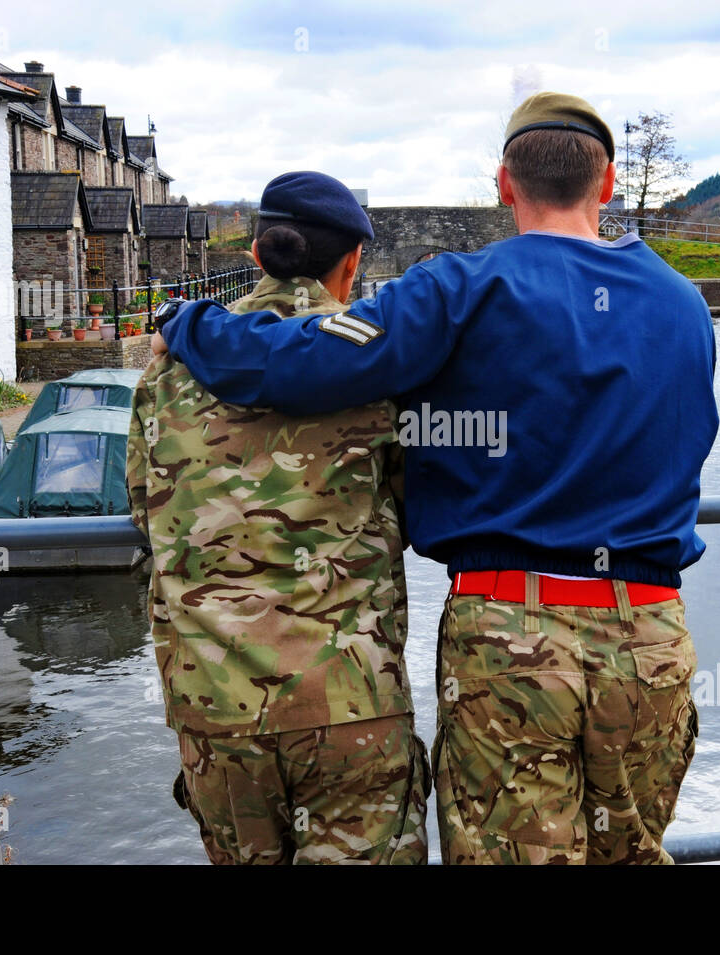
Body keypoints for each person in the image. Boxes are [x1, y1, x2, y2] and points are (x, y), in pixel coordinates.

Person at [156, 92, 719, 865]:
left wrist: (191, 323)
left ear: (503, 184)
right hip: (651, 634)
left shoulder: (458, 289)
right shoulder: (684, 305)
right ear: (610, 183)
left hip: (514, 635)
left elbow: (306, 361)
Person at [127, 171, 429, 865]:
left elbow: (142, 506)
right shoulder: (378, 364)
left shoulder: (169, 369)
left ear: (257, 255)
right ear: (352, 264)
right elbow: (420, 505)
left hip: (214, 704)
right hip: (351, 699)